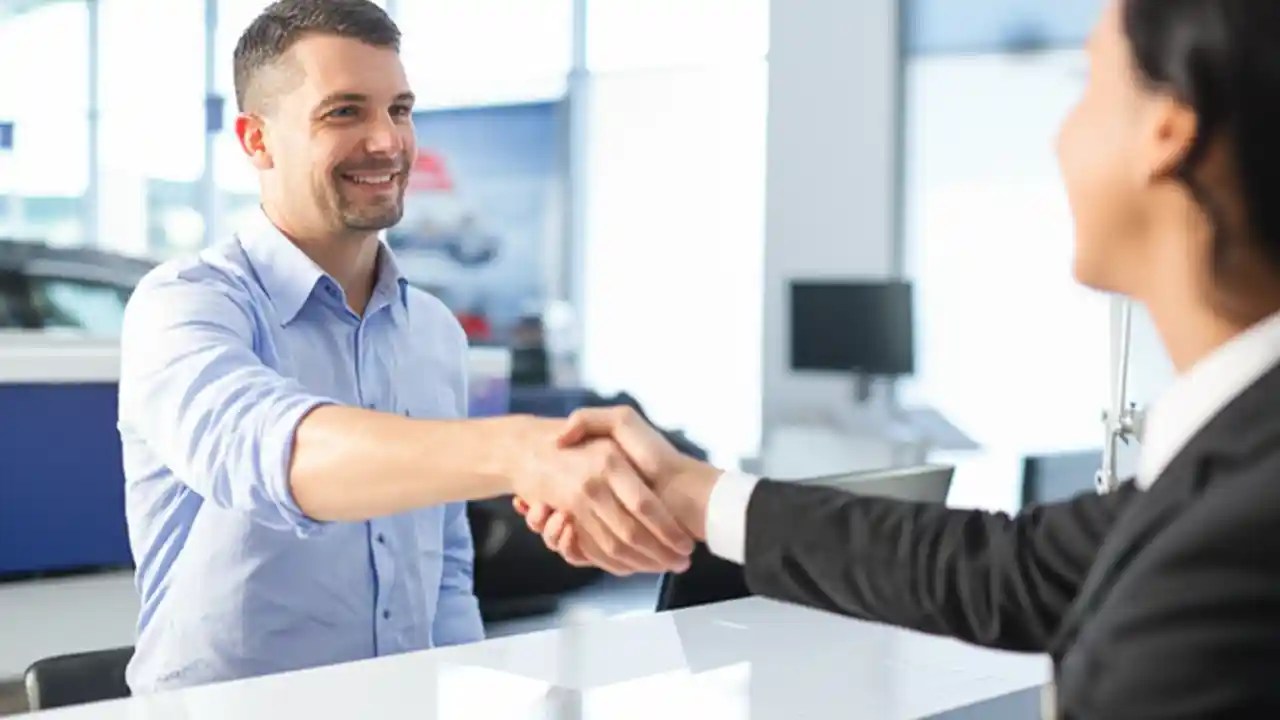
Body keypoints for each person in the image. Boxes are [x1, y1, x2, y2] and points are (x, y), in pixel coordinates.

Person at [524, 0, 1280, 714]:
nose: (1058, 136)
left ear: (1168, 132)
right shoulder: (1235, 459)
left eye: (1088, 86)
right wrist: (693, 493)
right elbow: (1006, 571)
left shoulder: (1241, 528)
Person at [116, 0, 692, 694]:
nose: (387, 142)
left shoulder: (434, 333)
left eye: (400, 109)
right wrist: (517, 453)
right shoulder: (186, 304)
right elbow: (269, 450)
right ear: (257, 141)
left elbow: (445, 568)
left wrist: (460, 686)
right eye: (344, 112)